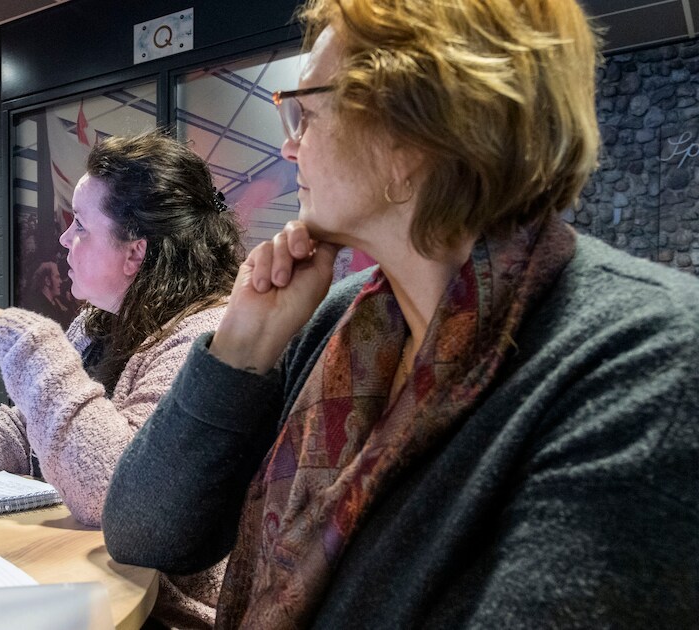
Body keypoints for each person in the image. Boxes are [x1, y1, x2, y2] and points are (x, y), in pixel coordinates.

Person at [103, 1, 699, 627]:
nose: (288, 145)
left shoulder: (649, 367)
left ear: (413, 135)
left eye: (304, 113)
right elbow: (146, 535)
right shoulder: (335, 325)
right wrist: (241, 346)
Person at [0, 130, 245, 628]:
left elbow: (116, 494)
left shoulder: (205, 336)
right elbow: (24, 432)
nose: (65, 240)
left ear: (135, 251)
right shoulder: (96, 323)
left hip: (165, 613)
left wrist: (34, 345)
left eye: (81, 226)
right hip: (105, 579)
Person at [23, 260, 73, 325]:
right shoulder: (37, 308)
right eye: (57, 277)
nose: (60, 281)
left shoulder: (59, 303)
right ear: (47, 281)